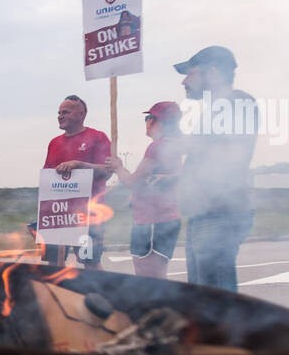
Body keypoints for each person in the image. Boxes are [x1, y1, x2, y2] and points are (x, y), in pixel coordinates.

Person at [174, 45, 259, 291]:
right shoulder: (215, 109)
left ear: (212, 72)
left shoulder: (237, 101)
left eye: (189, 74)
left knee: (217, 298)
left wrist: (182, 143)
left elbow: (227, 154)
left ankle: (229, 331)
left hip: (220, 213)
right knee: (204, 297)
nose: (184, 82)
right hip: (204, 213)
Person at [110, 101, 184, 278]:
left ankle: (154, 306)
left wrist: (118, 167)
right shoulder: (175, 145)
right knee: (158, 277)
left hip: (151, 221)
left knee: (148, 279)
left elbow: (132, 182)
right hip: (167, 218)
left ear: (156, 121)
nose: (147, 122)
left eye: (148, 117)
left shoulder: (158, 146)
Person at [39, 95, 114, 269]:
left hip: (88, 216)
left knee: (90, 262)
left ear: (81, 114)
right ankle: (57, 294)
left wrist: (79, 165)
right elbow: (48, 177)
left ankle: (97, 295)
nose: (60, 115)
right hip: (58, 215)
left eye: (65, 112)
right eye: (59, 112)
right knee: (53, 264)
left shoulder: (97, 137)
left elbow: (108, 171)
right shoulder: (54, 143)